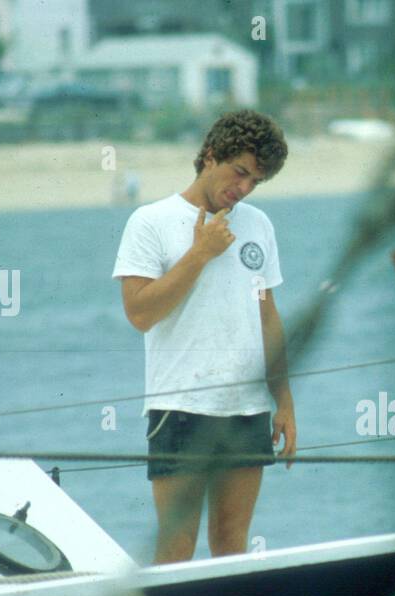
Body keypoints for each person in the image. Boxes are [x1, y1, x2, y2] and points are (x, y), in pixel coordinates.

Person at [112, 110, 296, 563]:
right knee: (175, 551)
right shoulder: (149, 221)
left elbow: (267, 317)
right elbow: (139, 313)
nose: (245, 188)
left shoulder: (258, 225)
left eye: (256, 181)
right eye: (240, 173)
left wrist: (285, 403)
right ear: (211, 156)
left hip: (248, 408)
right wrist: (200, 253)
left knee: (233, 548)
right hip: (180, 407)